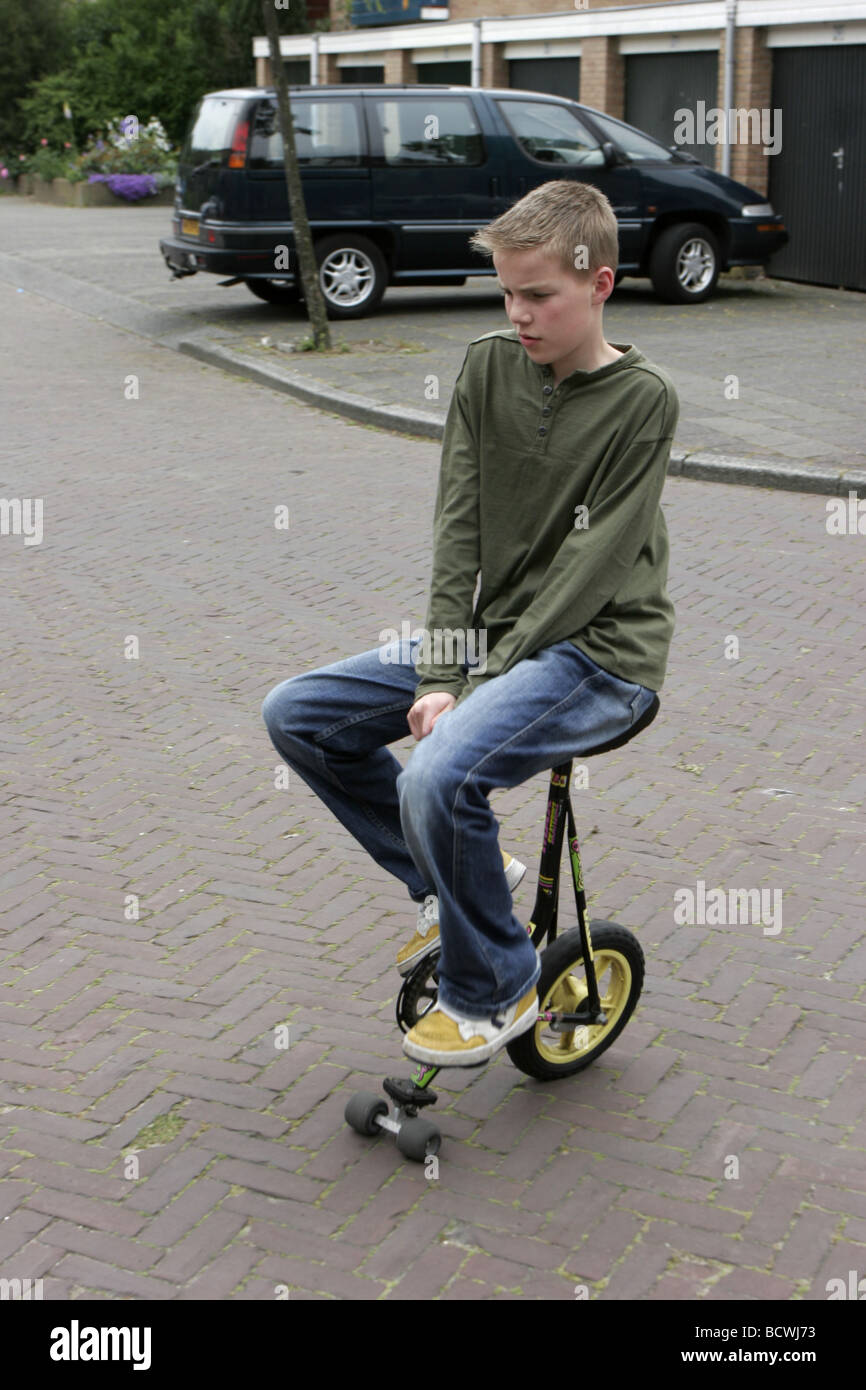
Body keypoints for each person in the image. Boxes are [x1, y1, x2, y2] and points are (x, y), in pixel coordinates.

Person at [261, 179, 678, 1069]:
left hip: (601, 653)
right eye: (506, 292)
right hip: (492, 640)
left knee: (436, 777)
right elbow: (459, 530)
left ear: (599, 284)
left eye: (539, 295)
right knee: (297, 714)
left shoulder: (644, 401)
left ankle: (494, 986)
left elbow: (589, 569)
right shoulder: (489, 366)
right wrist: (443, 671)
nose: (518, 313)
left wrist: (474, 688)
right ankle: (443, 886)